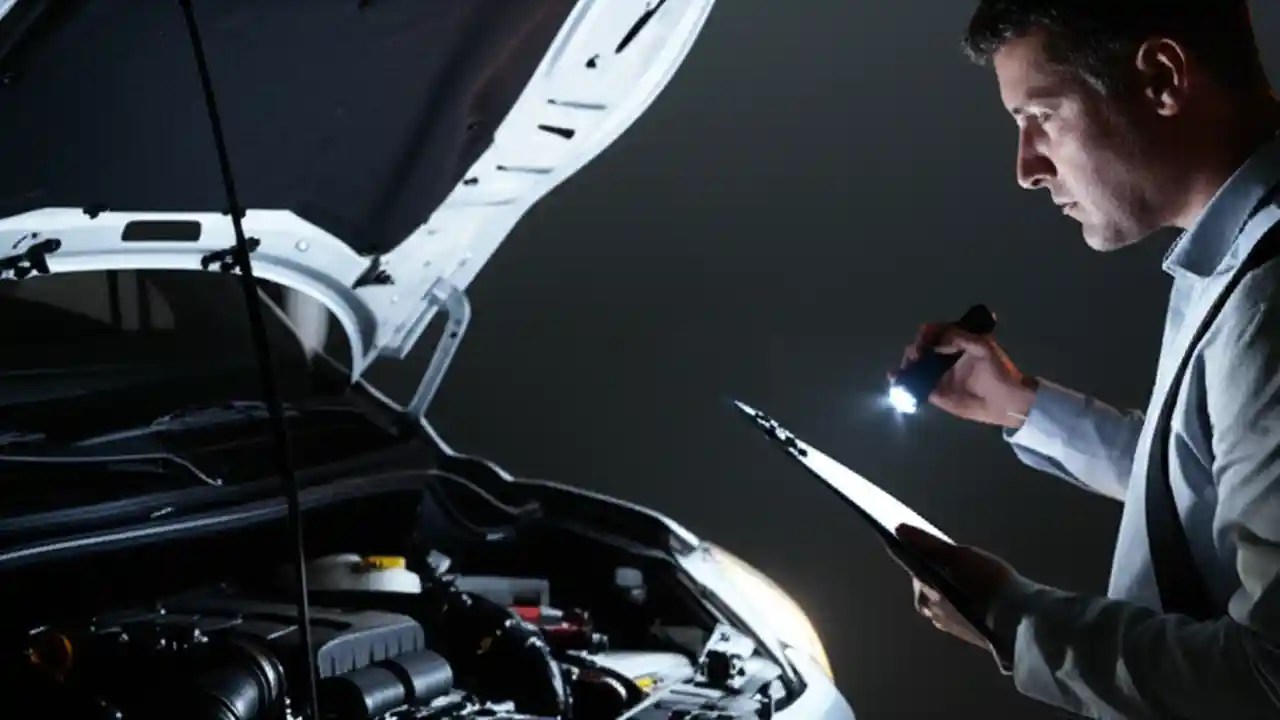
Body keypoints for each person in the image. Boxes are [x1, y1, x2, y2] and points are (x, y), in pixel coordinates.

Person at [889, 2, 1280, 718]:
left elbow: (1270, 679)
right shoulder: (1237, 253)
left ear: (1162, 78)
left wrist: (1009, 618)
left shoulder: (1268, 298)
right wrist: (1021, 407)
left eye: (1040, 116)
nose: (1026, 168)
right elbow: (1209, 485)